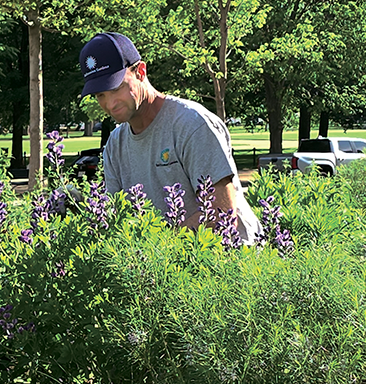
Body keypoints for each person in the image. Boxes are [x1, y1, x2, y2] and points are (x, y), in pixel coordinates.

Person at [79, 32, 260, 242]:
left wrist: (159, 244)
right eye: (101, 95)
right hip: (163, 266)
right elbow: (118, 219)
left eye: (117, 88)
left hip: (229, 261)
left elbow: (222, 214)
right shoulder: (115, 145)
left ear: (140, 71)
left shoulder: (192, 124)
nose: (110, 104)